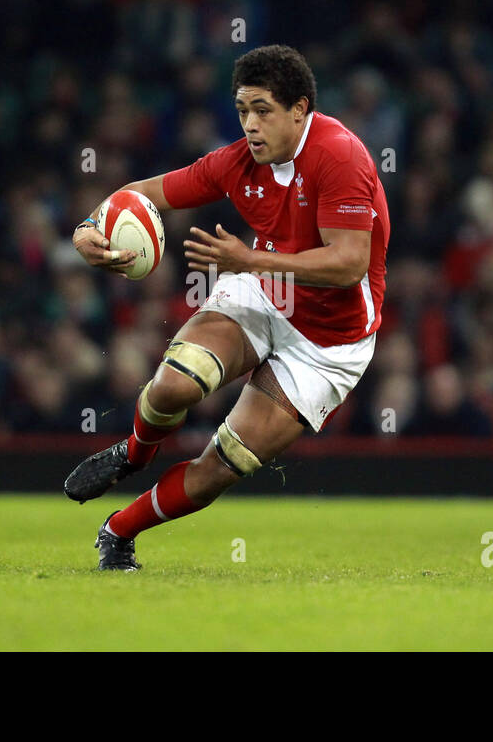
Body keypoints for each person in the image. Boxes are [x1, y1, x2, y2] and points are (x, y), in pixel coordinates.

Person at [67, 45, 390, 570]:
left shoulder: (340, 155)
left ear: (299, 109)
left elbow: (350, 264)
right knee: (175, 384)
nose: (250, 125)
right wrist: (86, 230)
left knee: (225, 463)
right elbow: (142, 194)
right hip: (265, 290)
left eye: (263, 110)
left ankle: (118, 530)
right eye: (242, 110)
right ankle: (134, 452)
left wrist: (248, 259)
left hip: (330, 342)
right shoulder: (236, 161)